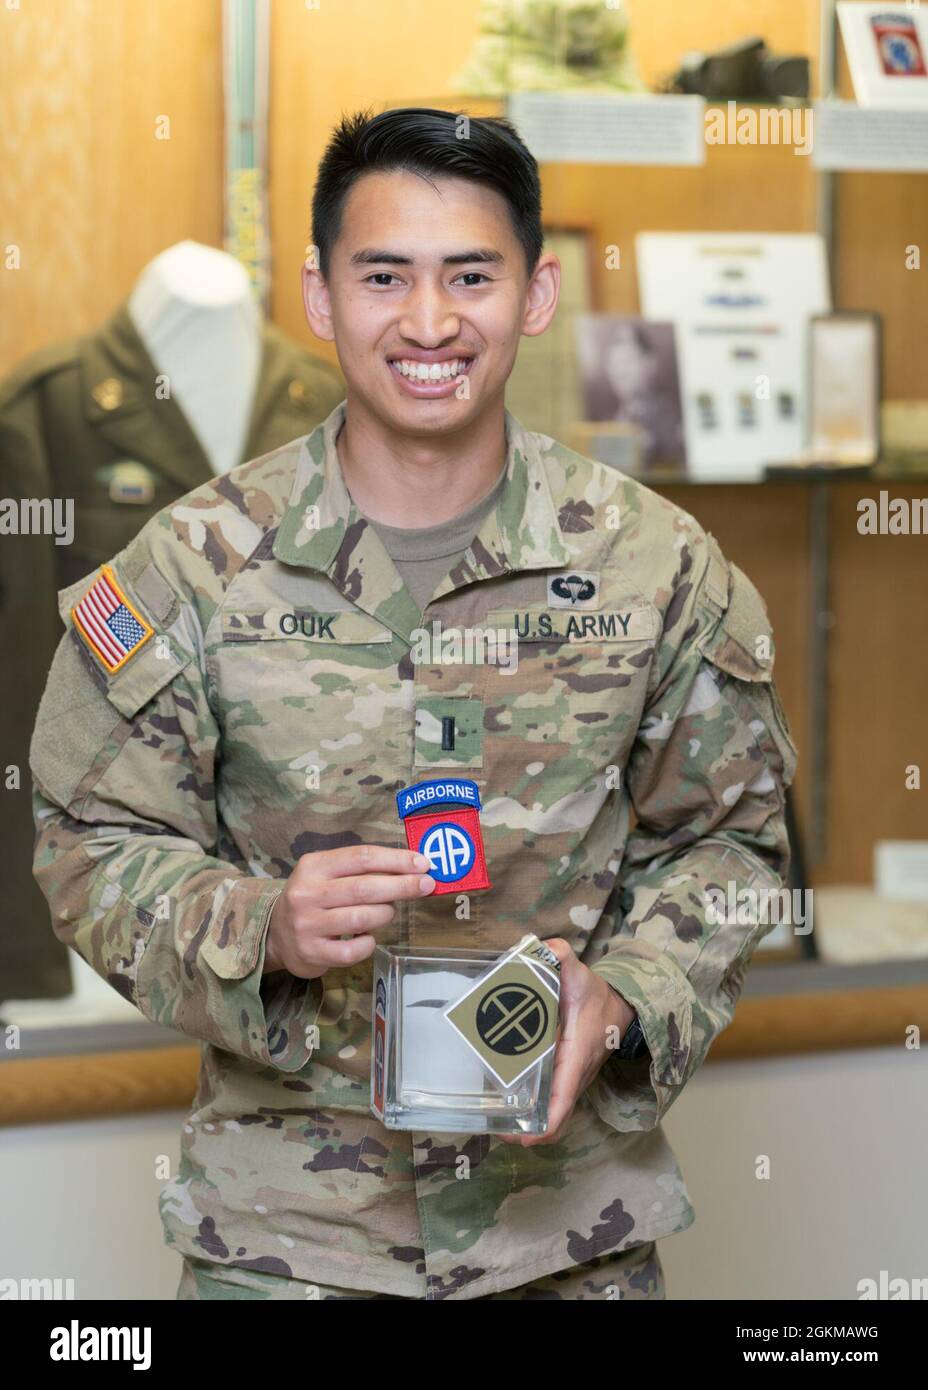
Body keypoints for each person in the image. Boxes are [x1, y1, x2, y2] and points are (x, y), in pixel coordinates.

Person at [29, 106, 797, 1301]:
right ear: (321, 295)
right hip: (286, 1243)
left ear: (535, 295)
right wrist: (259, 924)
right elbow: (88, 843)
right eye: (384, 275)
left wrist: (628, 996)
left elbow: (733, 842)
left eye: (470, 276)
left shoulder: (658, 564)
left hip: (567, 1234)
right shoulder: (194, 563)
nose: (430, 323)